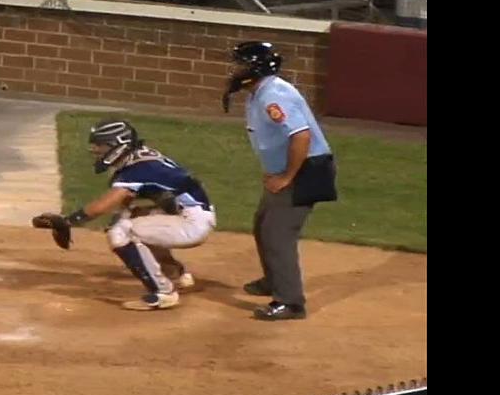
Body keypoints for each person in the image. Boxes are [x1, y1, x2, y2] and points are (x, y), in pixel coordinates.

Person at [32, 119, 215, 311]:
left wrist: (69, 221)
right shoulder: (138, 158)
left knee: (120, 233)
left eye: (100, 145)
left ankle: (163, 293)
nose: (96, 150)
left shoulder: (138, 169)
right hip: (191, 214)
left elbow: (105, 204)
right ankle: (176, 274)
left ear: (118, 146)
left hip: (192, 224)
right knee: (129, 221)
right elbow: (131, 200)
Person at [223, 41, 338, 321]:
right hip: (293, 168)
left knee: (277, 233)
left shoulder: (274, 95)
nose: (235, 70)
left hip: (307, 170)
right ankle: (274, 280)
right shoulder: (260, 91)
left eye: (241, 64)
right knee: (263, 223)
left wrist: (287, 176)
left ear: (256, 69)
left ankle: (290, 302)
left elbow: (301, 136)